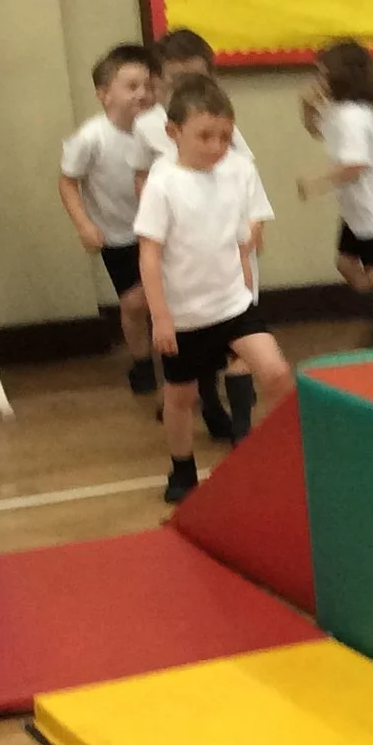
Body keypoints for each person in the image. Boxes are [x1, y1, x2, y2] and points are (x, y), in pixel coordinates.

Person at [135, 78, 293, 504]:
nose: (216, 145)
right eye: (204, 136)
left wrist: (245, 261)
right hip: (185, 314)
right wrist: (162, 316)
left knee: (276, 372)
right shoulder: (163, 182)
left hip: (233, 303)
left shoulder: (238, 170)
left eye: (224, 136)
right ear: (174, 133)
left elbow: (243, 227)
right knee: (181, 396)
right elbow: (149, 254)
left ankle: (281, 450)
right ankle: (183, 468)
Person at [135, 29, 264, 440]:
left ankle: (243, 426)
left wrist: (251, 229)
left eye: (199, 78)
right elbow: (143, 174)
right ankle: (208, 406)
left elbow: (244, 175)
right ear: (159, 82)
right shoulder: (150, 126)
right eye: (175, 78)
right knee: (195, 341)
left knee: (238, 341)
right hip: (183, 248)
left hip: (226, 243)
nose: (188, 86)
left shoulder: (219, 126)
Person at [57, 43, 160, 395]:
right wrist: (84, 225)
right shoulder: (91, 137)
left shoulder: (161, 126)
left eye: (147, 86)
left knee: (165, 294)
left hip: (159, 231)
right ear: (104, 95)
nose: (142, 94)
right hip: (117, 234)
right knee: (134, 303)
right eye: (131, 86)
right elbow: (68, 181)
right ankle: (142, 362)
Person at [295, 39, 373, 344]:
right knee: (346, 265)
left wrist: (316, 183)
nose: (319, 80)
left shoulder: (353, 117)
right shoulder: (339, 110)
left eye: (323, 74)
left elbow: (355, 165)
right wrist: (307, 106)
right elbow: (315, 129)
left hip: (370, 209)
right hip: (355, 209)